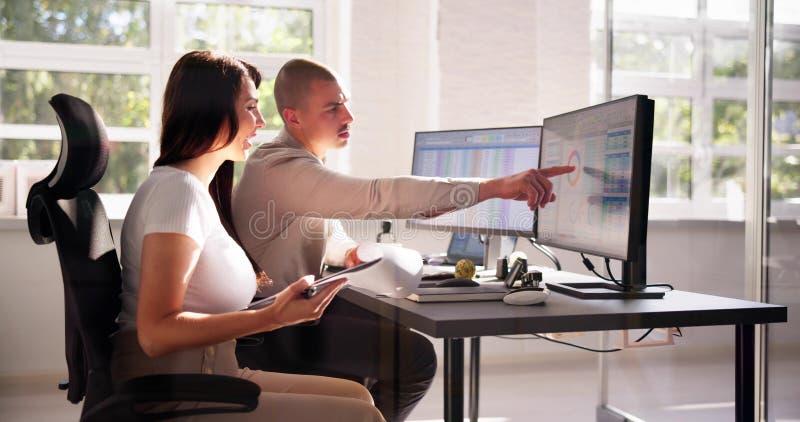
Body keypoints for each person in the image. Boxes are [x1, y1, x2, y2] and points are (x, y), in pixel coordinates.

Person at [232, 58, 573, 421]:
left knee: (391, 328)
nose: (349, 116)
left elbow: (310, 228)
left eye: (345, 103)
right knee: (416, 358)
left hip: (289, 311)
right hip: (270, 328)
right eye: (333, 108)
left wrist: (349, 251)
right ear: (294, 117)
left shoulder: (293, 163)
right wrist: (494, 187)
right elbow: (380, 195)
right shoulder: (281, 168)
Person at [111, 50, 385, 422]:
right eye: (251, 107)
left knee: (358, 395)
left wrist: (284, 309)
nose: (261, 121)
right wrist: (273, 316)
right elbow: (156, 333)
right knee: (360, 416)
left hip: (215, 371)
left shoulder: (194, 190)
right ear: (210, 111)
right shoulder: (178, 194)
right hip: (178, 390)